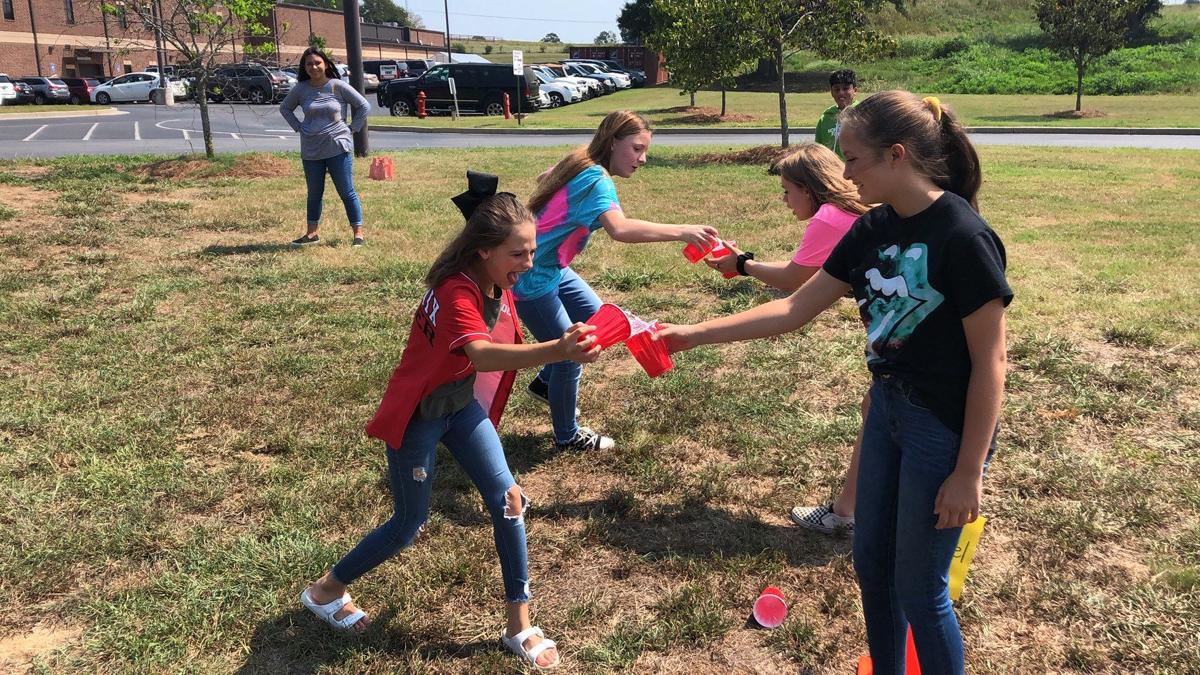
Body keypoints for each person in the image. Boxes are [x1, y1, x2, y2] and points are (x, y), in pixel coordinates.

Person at [660, 91, 1012, 675]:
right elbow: (795, 308)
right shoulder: (871, 228)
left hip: (942, 430)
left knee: (920, 589)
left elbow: (991, 363)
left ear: (897, 155)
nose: (843, 173)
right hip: (890, 412)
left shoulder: (962, 235)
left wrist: (968, 471)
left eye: (852, 159)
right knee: (871, 566)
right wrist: (693, 333)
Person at [300, 173, 602, 670]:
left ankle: (519, 623)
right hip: (420, 416)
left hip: (461, 408)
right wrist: (559, 350)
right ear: (484, 250)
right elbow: (482, 355)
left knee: (509, 501)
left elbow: (491, 349)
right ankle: (324, 591)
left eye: (532, 252)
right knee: (409, 524)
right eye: (519, 254)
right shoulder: (457, 290)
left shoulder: (492, 280)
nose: (529, 264)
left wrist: (569, 332)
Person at [514, 110, 720, 452]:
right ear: (613, 143)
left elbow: (545, 176)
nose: (643, 159)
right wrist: (683, 231)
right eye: (637, 149)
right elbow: (620, 229)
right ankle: (567, 434)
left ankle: (547, 385)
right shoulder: (597, 179)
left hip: (553, 267)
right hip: (531, 278)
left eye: (645, 151)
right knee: (572, 352)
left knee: (599, 318)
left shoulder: (581, 162)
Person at [703, 143, 870, 534]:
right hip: (893, 331)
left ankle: (848, 513)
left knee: (877, 410)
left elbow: (796, 282)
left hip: (898, 337)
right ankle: (853, 508)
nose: (784, 201)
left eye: (787, 191)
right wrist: (746, 263)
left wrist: (743, 264)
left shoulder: (828, 217)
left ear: (808, 189)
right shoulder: (848, 211)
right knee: (875, 409)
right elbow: (807, 274)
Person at [280, 47, 372, 248]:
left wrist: (352, 129)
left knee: (346, 192)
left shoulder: (336, 86)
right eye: (309, 64)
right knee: (314, 193)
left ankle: (358, 234)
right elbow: (285, 108)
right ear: (304, 67)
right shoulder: (301, 89)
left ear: (326, 64)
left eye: (317, 63)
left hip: (337, 146)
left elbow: (364, 106)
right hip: (311, 149)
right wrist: (298, 126)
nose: (314, 67)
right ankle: (312, 234)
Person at [814, 69, 858, 159]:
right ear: (831, 92)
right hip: (831, 169)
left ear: (855, 90)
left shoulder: (863, 112)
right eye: (837, 89)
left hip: (857, 170)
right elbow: (819, 149)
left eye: (845, 88)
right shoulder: (825, 117)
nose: (841, 93)